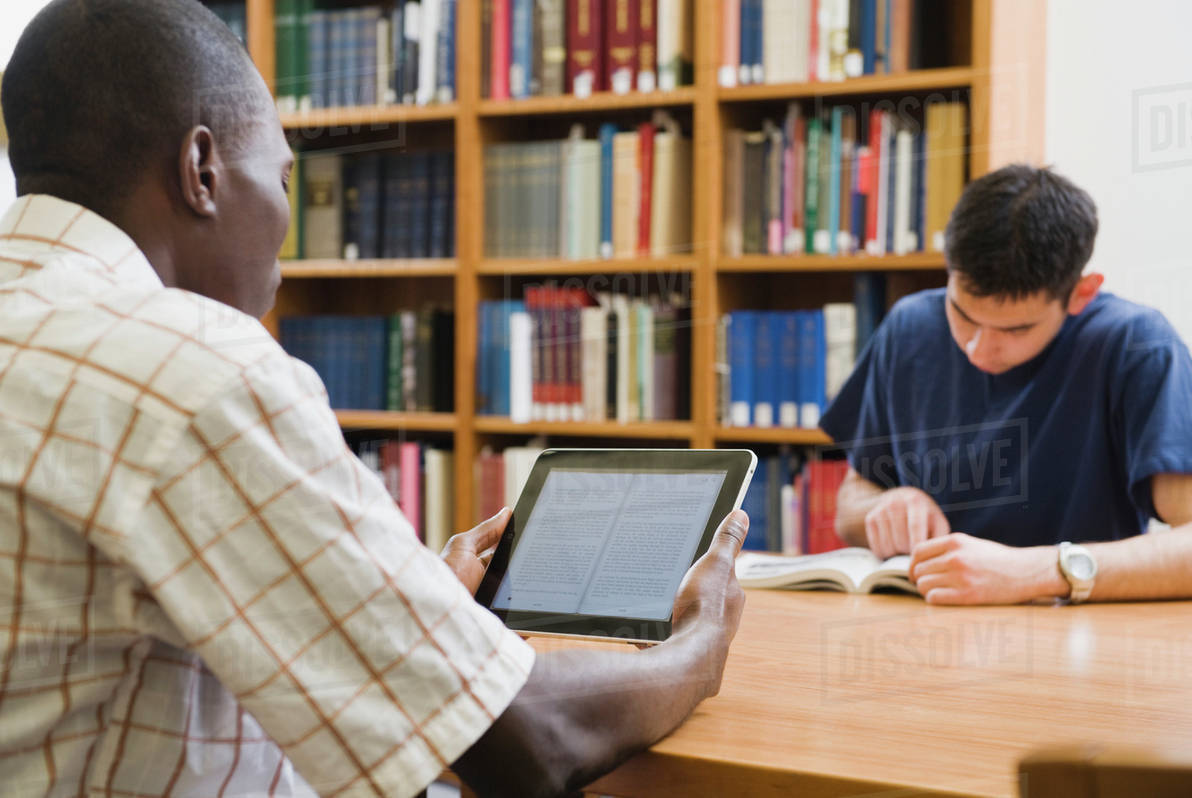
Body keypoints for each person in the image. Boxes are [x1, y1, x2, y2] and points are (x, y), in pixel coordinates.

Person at [0, 1, 748, 796]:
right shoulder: (195, 369)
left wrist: (397, 609)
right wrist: (700, 646)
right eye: (283, 177)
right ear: (202, 171)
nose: (287, 229)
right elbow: (526, 739)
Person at [820, 164, 1192, 606]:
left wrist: (1039, 572)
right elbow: (852, 502)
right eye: (963, 316)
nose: (979, 349)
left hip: (1076, 640)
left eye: (1016, 330)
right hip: (923, 627)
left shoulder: (1137, 346)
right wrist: (883, 508)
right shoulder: (909, 326)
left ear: (1082, 294)